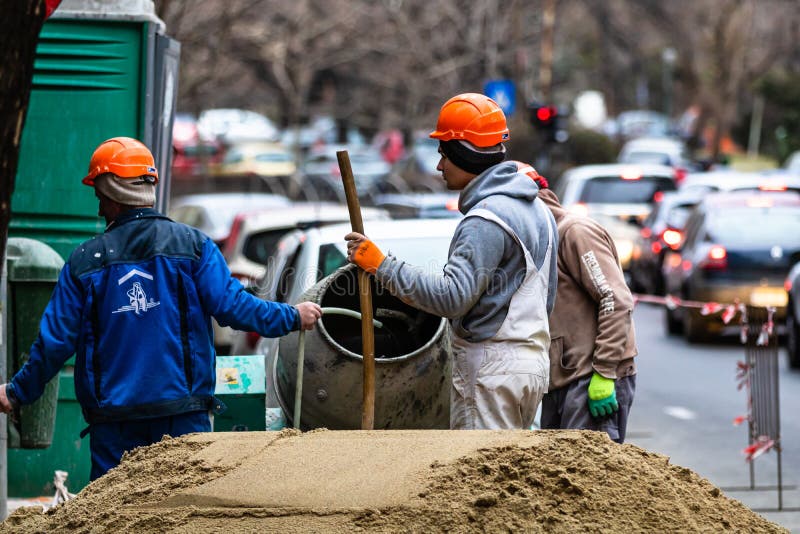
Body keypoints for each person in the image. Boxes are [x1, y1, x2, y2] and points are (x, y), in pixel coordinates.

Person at [0, 137, 322, 479]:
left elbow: (54, 343)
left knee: (115, 517)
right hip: (182, 416)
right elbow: (234, 307)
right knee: (182, 510)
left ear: (114, 194)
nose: (98, 208)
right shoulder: (194, 246)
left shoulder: (85, 261)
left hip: (115, 425)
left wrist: (18, 392)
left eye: (100, 196)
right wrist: (292, 316)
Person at [345, 93, 557, 430]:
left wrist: (381, 265)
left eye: (444, 154)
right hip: (531, 365)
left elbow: (452, 297)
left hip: (492, 370)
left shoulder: (486, 219)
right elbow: (546, 298)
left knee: (483, 478)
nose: (439, 165)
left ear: (465, 155)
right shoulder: (539, 211)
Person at [535, 179, 637, 443]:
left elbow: (615, 300)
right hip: (563, 379)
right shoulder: (541, 239)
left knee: (590, 479)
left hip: (590, 378)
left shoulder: (574, 232)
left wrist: (603, 372)